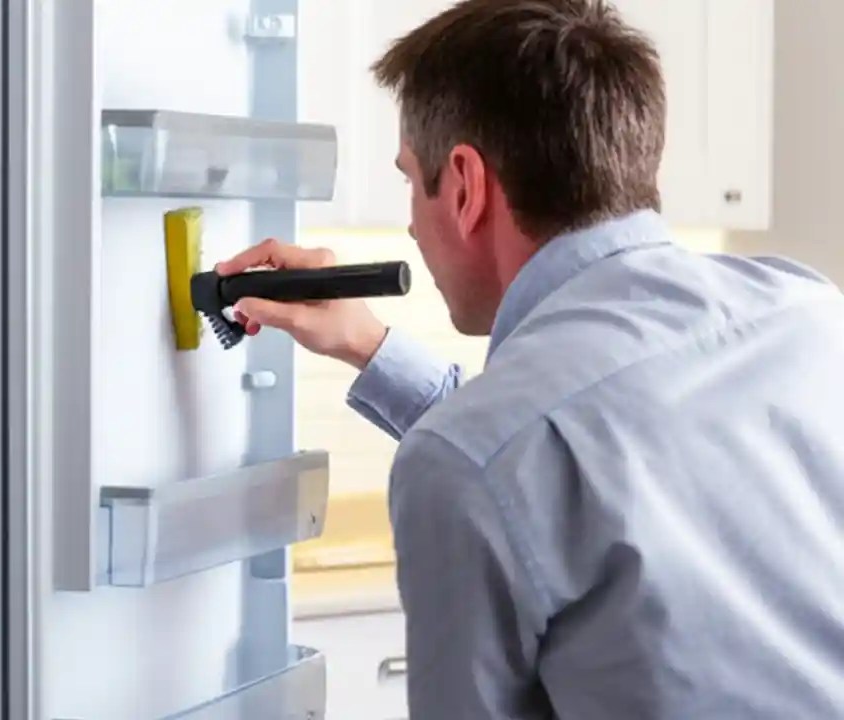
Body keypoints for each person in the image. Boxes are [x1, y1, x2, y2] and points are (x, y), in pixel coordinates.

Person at [218, 0, 844, 717]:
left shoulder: (468, 459)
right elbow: (560, 454)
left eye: (407, 180)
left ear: (463, 185)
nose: (411, 226)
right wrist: (368, 345)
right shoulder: (806, 313)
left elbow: (515, 457)